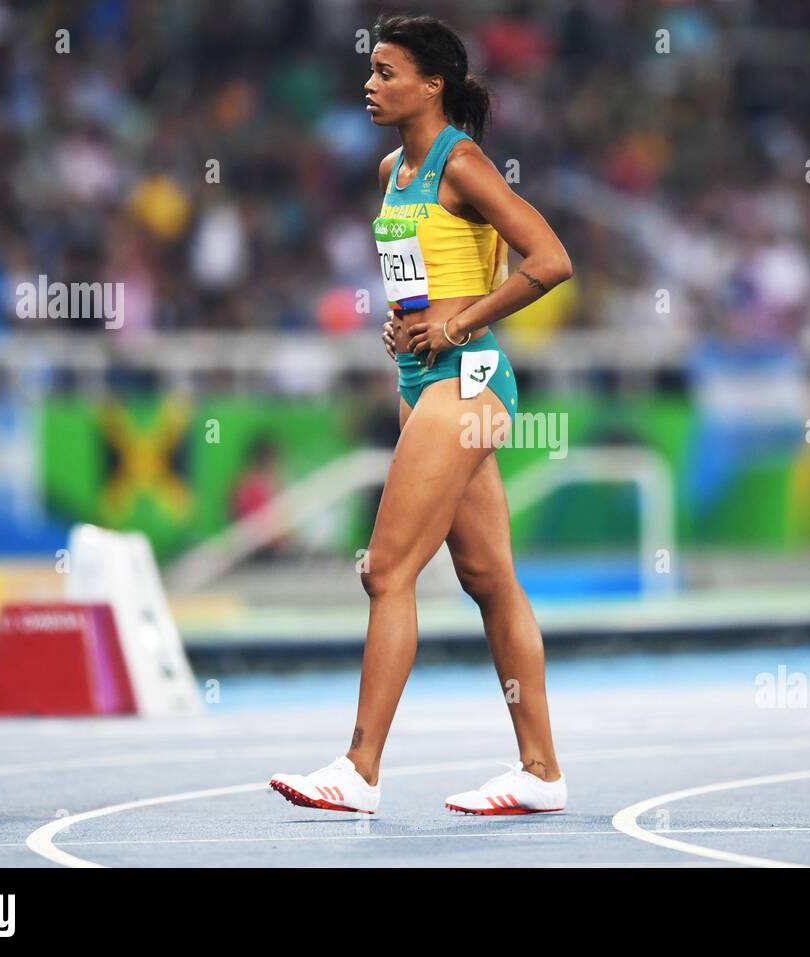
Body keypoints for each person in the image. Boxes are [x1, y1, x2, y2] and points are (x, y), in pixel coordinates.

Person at [269, 13, 574, 815]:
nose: (369, 84)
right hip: (422, 379)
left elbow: (550, 260)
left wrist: (458, 321)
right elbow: (423, 272)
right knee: (489, 578)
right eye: (369, 71)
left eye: (386, 71)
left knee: (386, 568)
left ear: (431, 84)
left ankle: (360, 768)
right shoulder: (389, 174)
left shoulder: (462, 163)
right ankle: (541, 771)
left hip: (466, 381)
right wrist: (406, 319)